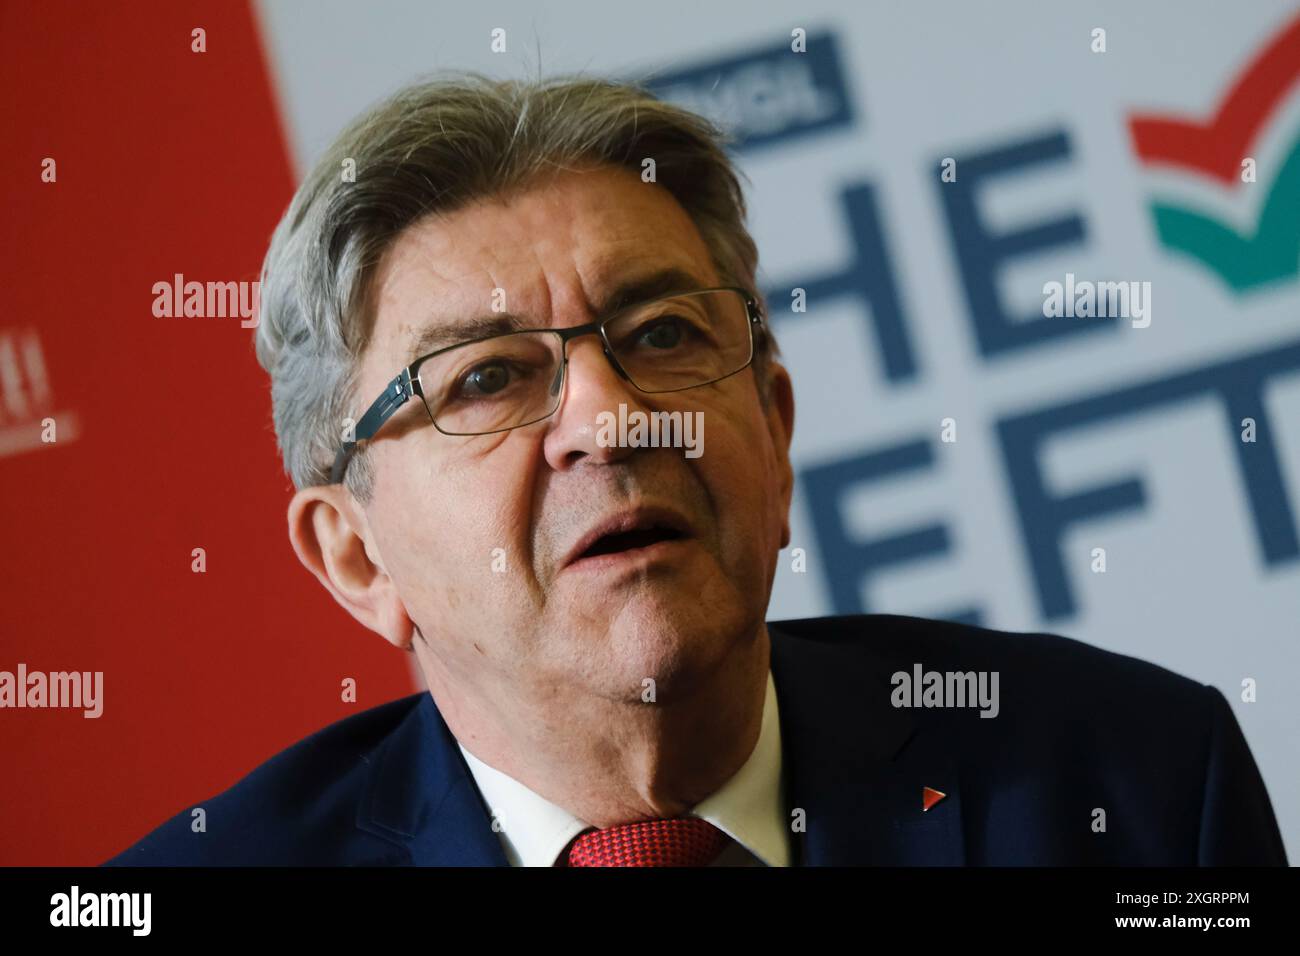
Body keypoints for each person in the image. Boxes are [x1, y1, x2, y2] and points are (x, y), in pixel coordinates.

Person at [106, 72, 1286, 867]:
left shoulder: (1132, 785)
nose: (611, 421)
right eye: (485, 379)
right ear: (357, 555)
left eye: (664, 335)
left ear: (772, 429)